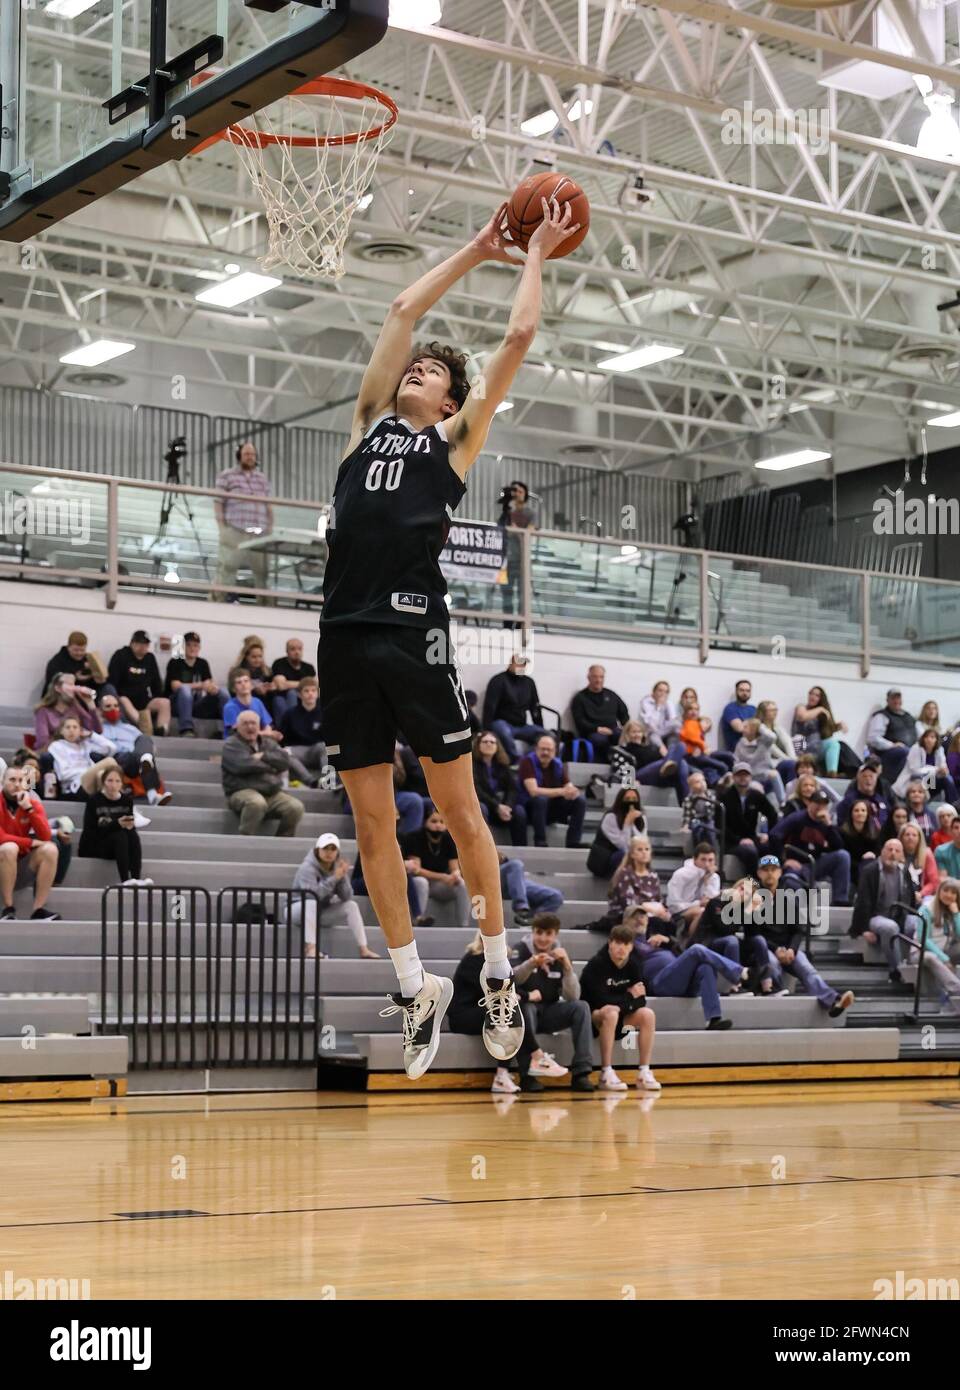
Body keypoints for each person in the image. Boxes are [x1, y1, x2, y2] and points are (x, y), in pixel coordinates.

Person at [317, 195, 580, 1078]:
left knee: (461, 810)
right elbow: (400, 311)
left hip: (417, 633)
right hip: (344, 636)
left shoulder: (457, 443)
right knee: (370, 820)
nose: (417, 369)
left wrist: (533, 254)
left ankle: (498, 970)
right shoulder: (363, 428)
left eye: (433, 370)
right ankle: (411, 984)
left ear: (453, 401)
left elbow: (514, 344)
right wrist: (475, 244)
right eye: (415, 367)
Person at [745, 855, 854, 1016]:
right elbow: (752, 934)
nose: (769, 874)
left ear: (780, 873)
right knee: (773, 963)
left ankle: (833, 1001)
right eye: (765, 870)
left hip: (787, 949)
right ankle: (780, 1004)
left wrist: (792, 949)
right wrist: (777, 950)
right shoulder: (751, 900)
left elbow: (798, 930)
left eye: (773, 870)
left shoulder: (787, 898)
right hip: (764, 950)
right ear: (759, 874)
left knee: (806, 967)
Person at [511, 914, 596, 1092]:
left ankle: (581, 1072)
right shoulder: (520, 950)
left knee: (581, 1007)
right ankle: (527, 1075)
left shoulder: (560, 956)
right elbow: (512, 980)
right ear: (533, 932)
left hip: (550, 1012)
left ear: (555, 935)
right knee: (526, 1008)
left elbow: (573, 996)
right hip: (525, 1010)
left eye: (548, 933)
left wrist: (567, 967)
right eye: (539, 932)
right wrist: (531, 964)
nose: (543, 938)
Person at [579, 922, 660, 1092]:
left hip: (620, 1015)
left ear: (631, 947)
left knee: (647, 1014)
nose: (621, 948)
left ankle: (644, 1071)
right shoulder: (596, 965)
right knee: (610, 1012)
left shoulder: (633, 965)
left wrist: (624, 1003)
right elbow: (600, 1000)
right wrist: (629, 996)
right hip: (593, 1018)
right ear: (610, 943)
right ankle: (606, 1072)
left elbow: (641, 1000)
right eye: (617, 943)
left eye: (626, 944)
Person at [634, 912, 747, 1030]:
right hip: (660, 983)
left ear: (648, 921)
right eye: (635, 917)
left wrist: (668, 941)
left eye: (642, 917)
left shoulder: (659, 938)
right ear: (626, 922)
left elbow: (682, 952)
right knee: (696, 949)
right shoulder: (629, 944)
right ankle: (740, 973)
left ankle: (713, 1019)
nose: (639, 920)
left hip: (681, 979)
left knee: (706, 967)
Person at [448, 935, 520, 1095]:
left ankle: (521, 1069)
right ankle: (503, 1075)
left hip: (479, 1012)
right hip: (462, 1016)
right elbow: (493, 990)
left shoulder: (496, 962)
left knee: (508, 1011)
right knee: (505, 1012)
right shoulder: (474, 959)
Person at [290, 833, 378, 961]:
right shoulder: (307, 868)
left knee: (351, 906)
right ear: (317, 850)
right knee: (311, 903)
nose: (329, 852)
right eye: (325, 848)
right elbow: (312, 895)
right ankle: (310, 948)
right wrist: (334, 878)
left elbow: (347, 896)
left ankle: (364, 949)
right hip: (297, 911)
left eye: (333, 849)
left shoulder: (337, 868)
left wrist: (343, 877)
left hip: (321, 912)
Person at [221, 710, 306, 836]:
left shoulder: (268, 743)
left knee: (296, 807)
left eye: (253, 723)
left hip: (270, 792)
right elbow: (242, 765)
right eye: (245, 723)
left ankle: (282, 843)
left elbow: (285, 761)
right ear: (237, 727)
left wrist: (263, 756)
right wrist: (271, 767)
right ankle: (245, 840)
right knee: (256, 803)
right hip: (241, 791)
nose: (250, 727)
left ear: (259, 726)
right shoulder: (231, 744)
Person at [850, 838, 920, 981]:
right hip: (875, 917)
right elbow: (863, 902)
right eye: (889, 849)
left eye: (897, 851)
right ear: (882, 852)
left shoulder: (904, 872)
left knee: (917, 922)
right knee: (890, 927)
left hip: (899, 916)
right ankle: (897, 970)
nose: (893, 854)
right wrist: (864, 929)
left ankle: (916, 966)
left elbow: (910, 901)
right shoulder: (870, 871)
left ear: (902, 855)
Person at [770, 788, 851, 905]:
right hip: (796, 864)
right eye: (817, 803)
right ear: (809, 803)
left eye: (824, 804)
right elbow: (774, 835)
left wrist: (829, 826)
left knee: (843, 856)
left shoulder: (825, 824)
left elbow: (838, 846)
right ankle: (797, 916)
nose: (820, 807)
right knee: (791, 882)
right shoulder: (797, 818)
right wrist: (783, 860)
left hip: (814, 864)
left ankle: (840, 900)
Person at [0, 766, 61, 920]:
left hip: (20, 864)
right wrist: (31, 842)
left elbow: (45, 836)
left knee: (50, 849)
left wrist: (29, 809)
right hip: (3, 857)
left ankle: (38, 910)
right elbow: (1, 838)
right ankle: (8, 908)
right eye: (12, 780)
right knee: (9, 848)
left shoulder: (32, 803)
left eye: (21, 780)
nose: (17, 784)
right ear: (3, 781)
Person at [214, 440, 273, 598]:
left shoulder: (262, 478)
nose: (250, 457)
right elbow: (218, 503)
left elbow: (269, 506)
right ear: (239, 455)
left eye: (252, 454)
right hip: (235, 531)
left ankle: (265, 609)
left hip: (259, 535)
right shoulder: (227, 476)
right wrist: (222, 529)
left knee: (262, 573)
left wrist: (270, 529)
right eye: (247, 454)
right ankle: (218, 606)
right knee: (227, 570)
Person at [78, 763, 151, 887]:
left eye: (117, 781)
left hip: (118, 847)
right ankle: (125, 880)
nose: (113, 785)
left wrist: (130, 825)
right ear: (103, 782)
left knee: (132, 834)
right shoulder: (94, 800)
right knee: (120, 835)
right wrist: (116, 824)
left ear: (122, 783)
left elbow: (128, 828)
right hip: (95, 845)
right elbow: (91, 832)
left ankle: (136, 878)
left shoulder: (126, 800)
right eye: (110, 781)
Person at [401, 807, 472, 926]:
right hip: (419, 882)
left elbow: (454, 866)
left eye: (442, 822)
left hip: (440, 885)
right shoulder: (414, 837)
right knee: (421, 882)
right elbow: (416, 870)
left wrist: (455, 874)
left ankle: (463, 925)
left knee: (462, 884)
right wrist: (443, 877)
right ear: (425, 822)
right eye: (433, 821)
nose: (438, 825)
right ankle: (418, 921)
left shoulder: (449, 838)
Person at [97, 693, 171, 805]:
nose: (113, 709)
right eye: (108, 706)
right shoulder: (98, 730)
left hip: (135, 760)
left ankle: (152, 794)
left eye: (116, 706)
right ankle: (152, 793)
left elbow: (151, 747)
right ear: (100, 710)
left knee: (144, 738)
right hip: (116, 760)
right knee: (142, 758)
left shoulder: (130, 729)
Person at [517, 732, 587, 849]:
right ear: (536, 749)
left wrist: (573, 791)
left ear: (554, 751)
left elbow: (569, 786)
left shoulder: (557, 764)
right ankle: (540, 840)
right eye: (542, 749)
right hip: (531, 809)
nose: (545, 752)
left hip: (551, 808)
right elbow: (533, 791)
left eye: (549, 750)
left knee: (580, 801)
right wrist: (562, 791)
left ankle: (573, 842)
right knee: (540, 799)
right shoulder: (527, 762)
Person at [481, 654, 546, 761]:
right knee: (503, 730)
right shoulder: (498, 680)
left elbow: (535, 708)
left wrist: (540, 726)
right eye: (518, 663)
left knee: (546, 735)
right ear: (511, 663)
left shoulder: (529, 682)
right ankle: (517, 761)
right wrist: (486, 731)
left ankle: (531, 760)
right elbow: (489, 707)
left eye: (524, 664)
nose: (521, 666)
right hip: (502, 723)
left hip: (522, 726)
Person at [608, 719, 689, 803]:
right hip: (641, 775)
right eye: (634, 732)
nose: (637, 735)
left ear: (643, 734)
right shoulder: (622, 750)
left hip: (660, 775)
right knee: (681, 762)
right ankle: (685, 803)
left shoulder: (651, 748)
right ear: (627, 734)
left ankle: (668, 764)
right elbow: (621, 769)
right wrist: (630, 780)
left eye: (639, 732)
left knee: (681, 747)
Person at [720, 762, 779, 876]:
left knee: (773, 846)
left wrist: (769, 834)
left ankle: (772, 882)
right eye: (739, 775)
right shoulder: (724, 796)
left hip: (752, 838)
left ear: (750, 777)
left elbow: (772, 815)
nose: (743, 778)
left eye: (746, 775)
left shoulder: (756, 795)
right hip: (731, 842)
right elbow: (720, 825)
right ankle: (752, 885)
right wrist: (739, 840)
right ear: (733, 777)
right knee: (750, 852)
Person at [107, 632, 170, 736]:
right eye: (140, 644)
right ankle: (145, 727)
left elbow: (156, 683)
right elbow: (112, 681)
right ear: (132, 643)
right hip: (125, 698)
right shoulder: (121, 655)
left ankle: (161, 730)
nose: (143, 647)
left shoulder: (150, 658)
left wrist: (157, 697)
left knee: (164, 703)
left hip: (144, 699)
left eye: (145, 644)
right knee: (124, 700)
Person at [164, 632, 228, 736]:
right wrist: (201, 685)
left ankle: (230, 728)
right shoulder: (175, 662)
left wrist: (212, 688)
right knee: (185, 689)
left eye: (195, 645)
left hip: (197, 704)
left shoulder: (203, 663)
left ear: (199, 647)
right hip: (177, 705)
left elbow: (208, 683)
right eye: (188, 645)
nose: (192, 648)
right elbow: (175, 686)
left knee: (223, 691)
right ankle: (186, 729)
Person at [471, 731, 527, 847]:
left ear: (497, 746)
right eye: (485, 742)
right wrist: (497, 806)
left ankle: (521, 848)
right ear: (478, 745)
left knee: (519, 811)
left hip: (502, 809)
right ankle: (484, 846)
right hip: (487, 806)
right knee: (482, 808)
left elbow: (512, 789)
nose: (489, 744)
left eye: (492, 742)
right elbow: (476, 790)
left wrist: (507, 806)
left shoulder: (502, 765)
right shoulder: (472, 765)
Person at [605, 834, 672, 930]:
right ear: (632, 854)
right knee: (653, 923)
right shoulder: (624, 874)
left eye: (647, 849)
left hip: (651, 915)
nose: (644, 853)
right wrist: (648, 907)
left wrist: (662, 911)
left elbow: (659, 900)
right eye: (640, 850)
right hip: (626, 916)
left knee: (670, 923)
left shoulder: (653, 875)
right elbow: (628, 904)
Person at [46, 716, 116, 798]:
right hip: (74, 786)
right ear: (61, 731)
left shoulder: (85, 745)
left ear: (80, 731)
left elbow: (111, 748)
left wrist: (91, 735)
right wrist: (87, 772)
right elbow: (63, 775)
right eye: (68, 727)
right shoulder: (57, 746)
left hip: (91, 780)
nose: (71, 730)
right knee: (110, 762)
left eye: (75, 727)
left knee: (103, 775)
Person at [570, 665, 628, 760]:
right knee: (600, 740)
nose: (598, 680)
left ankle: (623, 765)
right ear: (589, 678)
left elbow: (624, 713)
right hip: (592, 732)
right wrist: (597, 729)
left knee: (623, 736)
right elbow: (579, 722)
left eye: (601, 677)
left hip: (612, 729)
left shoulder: (612, 695)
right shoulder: (580, 698)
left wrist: (625, 728)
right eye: (595, 676)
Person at [33, 673, 102, 752]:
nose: (73, 688)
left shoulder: (75, 707)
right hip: (53, 752)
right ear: (58, 688)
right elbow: (42, 742)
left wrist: (90, 705)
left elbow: (97, 731)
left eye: (74, 684)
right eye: (69, 685)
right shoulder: (43, 711)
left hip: (75, 752)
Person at [586, 785, 645, 878]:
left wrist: (633, 824)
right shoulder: (611, 817)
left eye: (634, 798)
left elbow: (642, 842)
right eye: (627, 798)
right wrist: (627, 824)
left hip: (629, 858)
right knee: (625, 854)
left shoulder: (640, 818)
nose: (631, 802)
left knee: (643, 852)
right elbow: (623, 845)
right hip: (605, 860)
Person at [498, 481, 537, 620]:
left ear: (525, 494)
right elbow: (500, 532)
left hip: (523, 560)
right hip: (508, 559)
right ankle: (507, 624)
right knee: (506, 594)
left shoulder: (530, 513)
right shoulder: (507, 513)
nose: (517, 493)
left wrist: (516, 531)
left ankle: (522, 625)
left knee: (523, 595)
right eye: (515, 491)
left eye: (520, 491)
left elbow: (529, 533)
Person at [665, 842, 721, 937]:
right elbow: (673, 906)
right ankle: (691, 943)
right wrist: (698, 904)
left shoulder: (714, 877)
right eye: (703, 860)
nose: (707, 864)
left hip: (703, 911)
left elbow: (711, 902)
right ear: (694, 859)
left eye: (710, 860)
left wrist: (707, 881)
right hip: (678, 914)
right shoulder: (680, 874)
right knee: (701, 912)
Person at [499, 849, 564, 927]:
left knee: (556, 896)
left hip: (511, 877)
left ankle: (529, 919)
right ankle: (521, 908)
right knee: (515, 864)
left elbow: (503, 858)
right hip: (491, 879)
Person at [866, 688, 918, 785]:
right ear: (888, 700)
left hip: (911, 754)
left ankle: (929, 792)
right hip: (889, 755)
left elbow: (923, 735)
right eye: (893, 698)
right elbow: (873, 738)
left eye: (898, 698)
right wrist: (892, 745)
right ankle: (899, 785)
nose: (896, 701)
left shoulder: (909, 717)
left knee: (931, 767)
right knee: (904, 752)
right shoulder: (881, 716)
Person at [277, 678, 326, 778]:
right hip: (298, 750)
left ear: (318, 693)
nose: (310, 694)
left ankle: (329, 781)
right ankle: (311, 781)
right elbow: (281, 737)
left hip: (319, 750)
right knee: (284, 752)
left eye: (313, 690)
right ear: (299, 694)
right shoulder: (290, 714)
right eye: (306, 691)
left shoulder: (325, 712)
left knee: (326, 747)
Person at [791, 686, 846, 775]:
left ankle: (832, 773)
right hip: (803, 748)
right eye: (811, 694)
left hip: (817, 748)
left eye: (817, 695)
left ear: (820, 699)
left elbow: (827, 732)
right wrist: (820, 709)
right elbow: (802, 716)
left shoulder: (820, 713)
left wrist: (839, 726)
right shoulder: (802, 707)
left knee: (834, 744)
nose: (813, 696)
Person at [893, 728, 957, 803]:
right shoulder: (916, 748)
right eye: (926, 737)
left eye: (932, 737)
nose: (929, 739)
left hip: (931, 781)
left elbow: (942, 766)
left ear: (936, 740)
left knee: (947, 778)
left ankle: (953, 805)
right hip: (914, 780)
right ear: (923, 739)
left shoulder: (939, 750)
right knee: (930, 777)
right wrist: (936, 769)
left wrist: (944, 771)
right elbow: (914, 771)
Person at [734, 718, 786, 808]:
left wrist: (760, 727)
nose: (743, 729)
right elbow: (736, 761)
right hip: (749, 776)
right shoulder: (740, 743)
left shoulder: (764, 741)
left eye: (746, 727)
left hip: (764, 773)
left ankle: (783, 802)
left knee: (774, 774)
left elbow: (772, 737)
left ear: (753, 729)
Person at [43, 631, 110, 699]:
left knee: (108, 688)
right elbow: (54, 682)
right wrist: (75, 677)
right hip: (62, 697)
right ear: (68, 647)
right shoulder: (57, 661)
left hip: (85, 695)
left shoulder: (87, 659)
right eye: (76, 650)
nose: (79, 653)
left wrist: (98, 680)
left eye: (82, 650)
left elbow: (94, 685)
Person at [678, 699, 729, 785]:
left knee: (711, 769)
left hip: (699, 755)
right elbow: (693, 738)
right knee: (723, 766)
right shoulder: (688, 723)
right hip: (691, 757)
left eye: (696, 709)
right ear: (686, 712)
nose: (694, 712)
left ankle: (716, 783)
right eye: (691, 709)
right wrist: (704, 746)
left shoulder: (697, 724)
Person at [836, 759, 892, 834]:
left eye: (871, 776)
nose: (868, 779)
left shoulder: (881, 800)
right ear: (858, 778)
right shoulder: (849, 801)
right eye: (864, 776)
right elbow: (841, 823)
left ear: (876, 779)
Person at [223, 670, 280, 739]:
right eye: (239, 682)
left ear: (251, 685)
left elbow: (267, 725)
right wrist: (267, 734)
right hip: (237, 744)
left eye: (246, 681)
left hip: (258, 740)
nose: (243, 684)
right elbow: (240, 733)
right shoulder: (230, 707)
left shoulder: (257, 702)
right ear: (233, 688)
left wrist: (268, 733)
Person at [270, 638, 317, 721]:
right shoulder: (279, 663)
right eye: (293, 649)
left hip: (304, 699)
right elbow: (281, 685)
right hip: (283, 698)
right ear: (287, 651)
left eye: (299, 649)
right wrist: (303, 684)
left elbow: (314, 685)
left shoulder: (308, 667)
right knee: (287, 696)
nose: (297, 652)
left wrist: (288, 684)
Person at [756, 700, 798, 787]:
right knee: (791, 765)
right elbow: (772, 748)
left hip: (781, 760)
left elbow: (787, 742)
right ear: (763, 712)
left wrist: (793, 758)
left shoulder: (777, 727)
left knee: (801, 763)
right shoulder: (760, 728)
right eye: (771, 710)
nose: (775, 712)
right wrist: (788, 759)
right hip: (768, 762)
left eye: (776, 710)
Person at [840, 799, 880, 887]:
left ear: (867, 813)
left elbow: (879, 850)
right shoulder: (843, 832)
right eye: (856, 810)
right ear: (851, 813)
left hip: (869, 864)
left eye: (863, 810)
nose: (860, 813)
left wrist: (873, 854)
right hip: (850, 866)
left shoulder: (875, 831)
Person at [920, 879, 960, 965]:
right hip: (928, 951)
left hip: (947, 950)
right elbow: (923, 939)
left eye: (953, 893)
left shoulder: (954, 909)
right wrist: (943, 957)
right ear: (939, 891)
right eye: (945, 891)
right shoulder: (926, 909)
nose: (949, 895)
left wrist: (956, 914)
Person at [681, 770, 720, 852]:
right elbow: (687, 815)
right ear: (691, 786)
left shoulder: (710, 796)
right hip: (696, 819)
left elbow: (714, 813)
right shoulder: (689, 799)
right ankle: (698, 851)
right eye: (698, 782)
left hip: (708, 819)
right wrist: (685, 825)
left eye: (703, 780)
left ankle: (712, 852)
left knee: (711, 830)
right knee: (697, 830)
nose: (702, 783)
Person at [900, 823, 938, 900]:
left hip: (922, 896)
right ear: (901, 837)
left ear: (919, 838)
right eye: (907, 835)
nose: (910, 838)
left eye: (914, 835)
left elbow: (933, 882)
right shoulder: (895, 852)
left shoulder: (927, 854)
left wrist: (921, 894)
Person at [233, 637, 276, 704]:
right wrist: (254, 689)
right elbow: (234, 691)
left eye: (260, 656)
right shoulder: (238, 671)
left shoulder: (266, 670)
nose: (257, 660)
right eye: (254, 657)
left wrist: (270, 687)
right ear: (246, 657)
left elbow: (272, 684)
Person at [719, 679, 756, 752]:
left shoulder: (753, 709)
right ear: (736, 691)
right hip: (737, 752)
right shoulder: (730, 708)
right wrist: (756, 727)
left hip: (754, 749)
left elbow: (763, 727)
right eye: (742, 690)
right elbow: (740, 729)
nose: (745, 693)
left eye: (748, 691)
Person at [934, 815, 960, 881]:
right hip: (951, 890)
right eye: (956, 828)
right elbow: (943, 879)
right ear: (951, 831)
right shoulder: (941, 851)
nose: (959, 831)